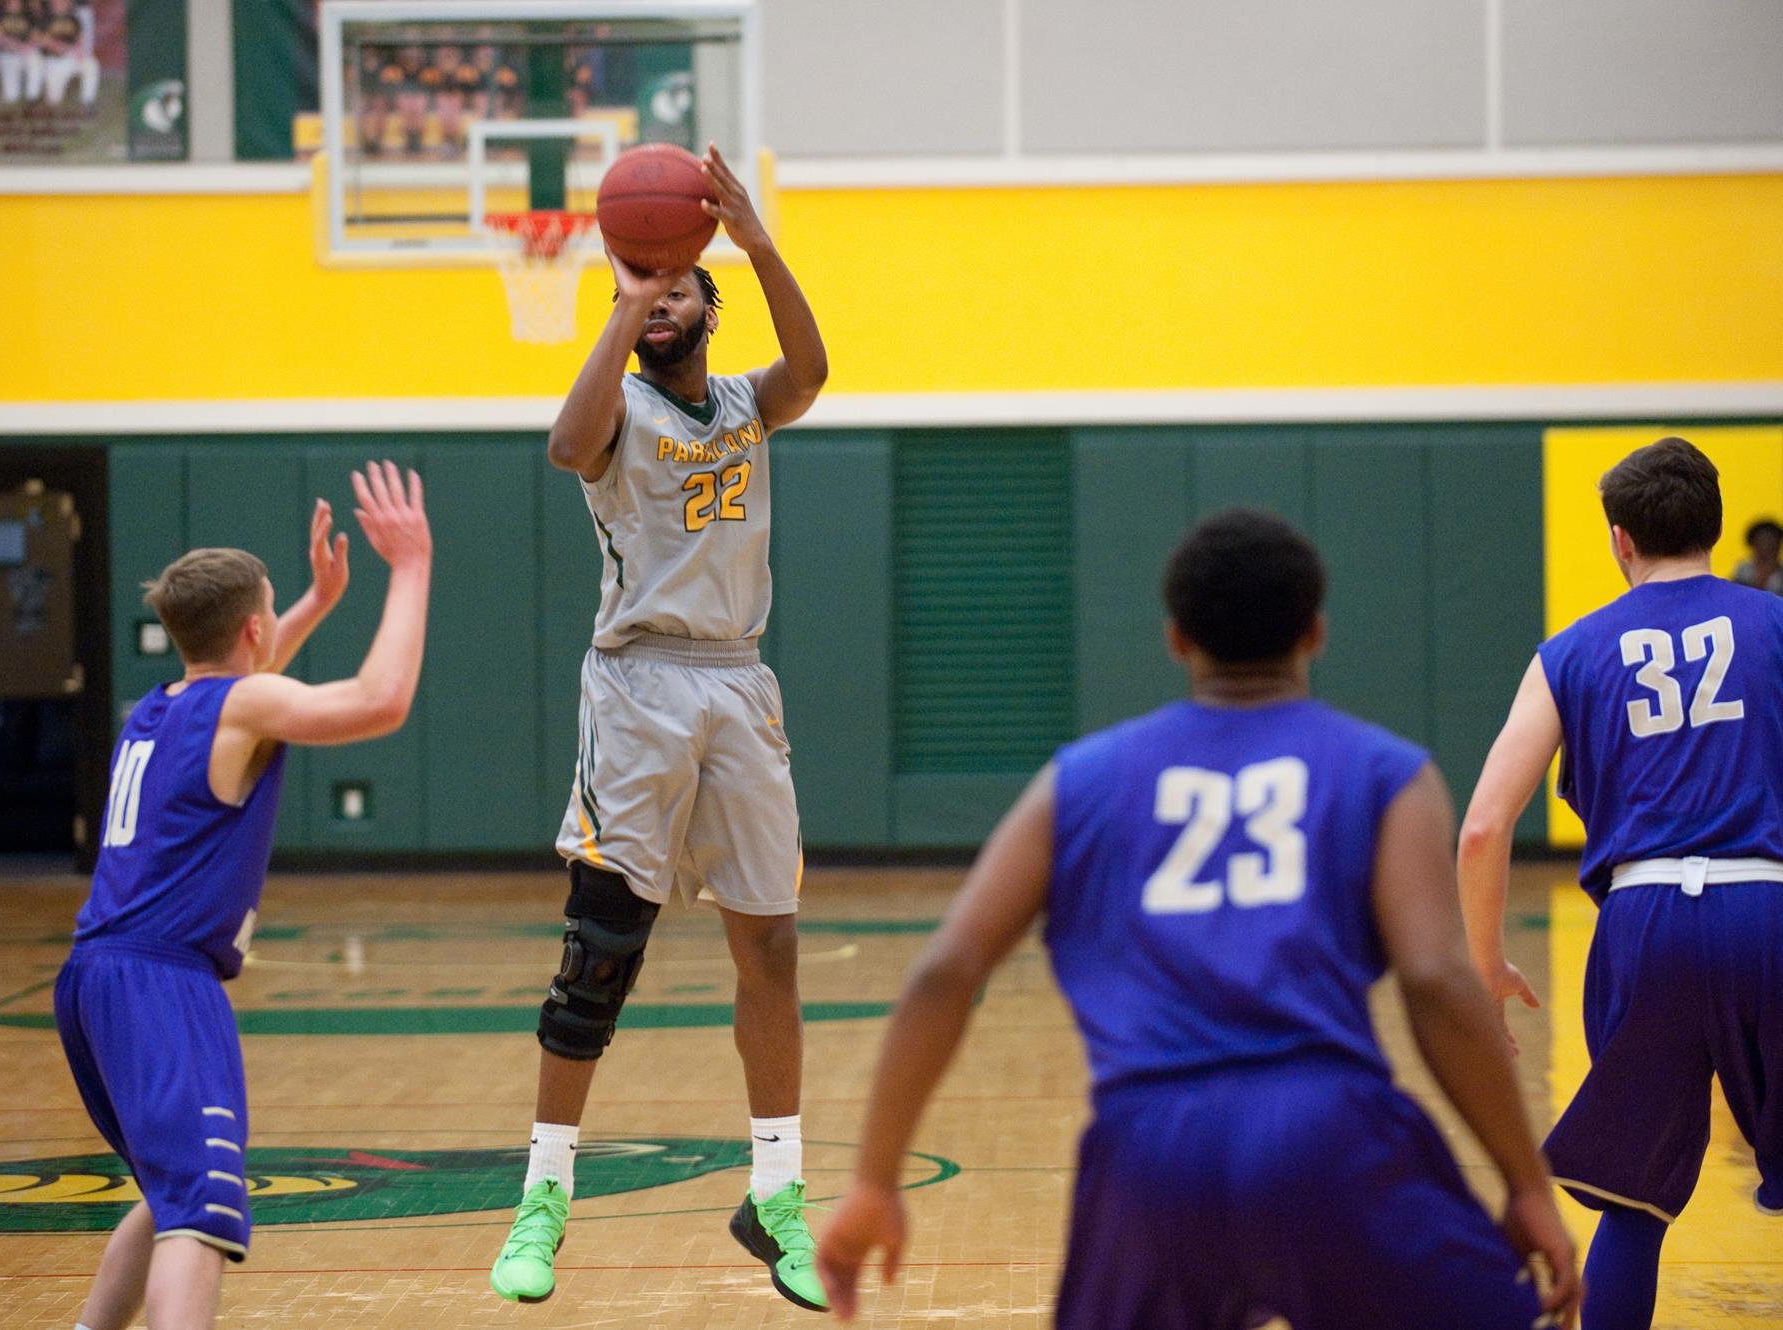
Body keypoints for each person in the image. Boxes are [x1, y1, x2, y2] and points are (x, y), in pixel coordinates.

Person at [818, 508, 1582, 1330]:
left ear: (1177, 639)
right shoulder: (1386, 774)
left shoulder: (1079, 782)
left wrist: (872, 1180)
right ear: (1315, 633)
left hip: (1148, 1154)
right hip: (1329, 1138)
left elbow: (946, 970)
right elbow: (1435, 979)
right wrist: (1526, 1184)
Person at [487, 143, 830, 1310]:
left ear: (705, 293)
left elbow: (816, 368)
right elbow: (563, 444)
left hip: (736, 680)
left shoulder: (745, 404)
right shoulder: (617, 406)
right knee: (599, 951)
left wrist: (756, 238)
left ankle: (775, 1189)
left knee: (771, 941)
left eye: (675, 285)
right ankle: (543, 1198)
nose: (658, 300)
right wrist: (619, 301)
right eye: (642, 286)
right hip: (637, 685)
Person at [55, 463, 431, 1330]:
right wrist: (408, 568)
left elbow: (245, 684)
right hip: (161, 984)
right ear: (255, 628)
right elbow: (381, 701)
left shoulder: (159, 708)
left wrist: (312, 605)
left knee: (170, 1188)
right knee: (197, 1207)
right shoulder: (236, 706)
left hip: (93, 978)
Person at [1459, 435, 1783, 1330]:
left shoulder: (1570, 651)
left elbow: (1484, 826)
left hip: (1644, 920)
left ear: (1618, 540)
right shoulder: (1777, 626)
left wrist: (1485, 962)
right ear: (1714, 526)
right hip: (1769, 902)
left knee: (1634, 1202)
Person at [1733, 516, 1783, 594]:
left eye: (1771, 542)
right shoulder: (1743, 571)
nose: (1766, 546)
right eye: (1762, 541)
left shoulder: (1780, 575)